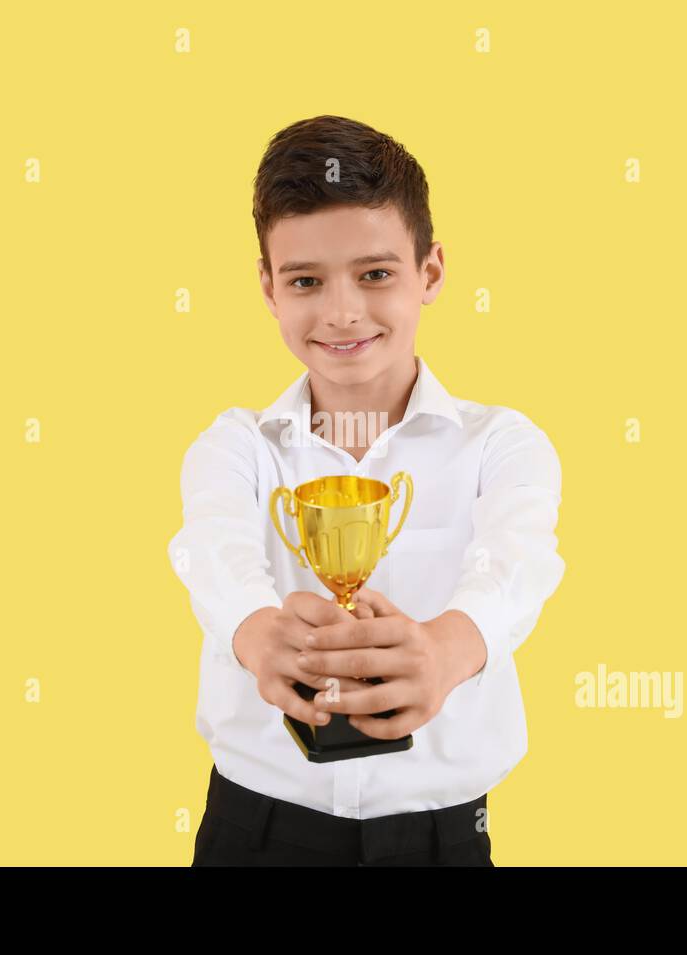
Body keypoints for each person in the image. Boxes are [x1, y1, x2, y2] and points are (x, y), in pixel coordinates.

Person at [168, 115, 566, 865]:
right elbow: (211, 546)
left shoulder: (502, 444)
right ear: (268, 287)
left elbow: (519, 560)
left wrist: (448, 649)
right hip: (253, 830)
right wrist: (257, 631)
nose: (343, 312)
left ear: (432, 273)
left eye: (376, 274)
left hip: (440, 836)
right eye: (306, 281)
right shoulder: (236, 445)